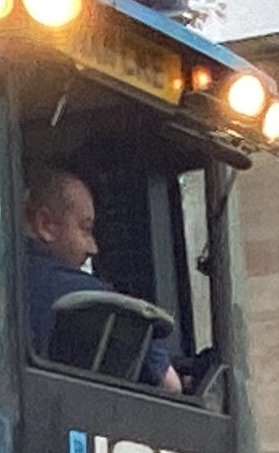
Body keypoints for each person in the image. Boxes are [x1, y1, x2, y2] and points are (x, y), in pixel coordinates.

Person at [19, 167, 181, 394]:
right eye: (85, 229)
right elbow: (170, 384)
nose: (93, 248)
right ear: (45, 224)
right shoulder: (82, 295)